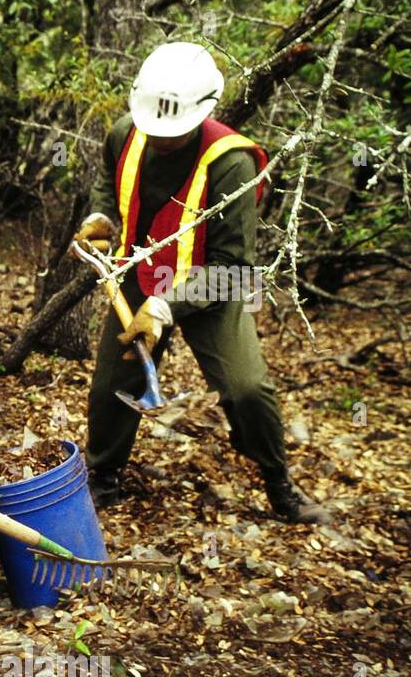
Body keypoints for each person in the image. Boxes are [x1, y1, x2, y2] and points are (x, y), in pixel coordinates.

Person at [75, 42, 330, 524]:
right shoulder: (123, 134)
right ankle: (103, 475)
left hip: (208, 285)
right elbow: (109, 187)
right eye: (155, 129)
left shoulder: (232, 161)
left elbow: (233, 264)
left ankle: (279, 484)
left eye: (174, 132)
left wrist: (166, 307)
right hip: (141, 272)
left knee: (246, 387)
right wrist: (99, 217)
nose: (162, 139)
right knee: (113, 381)